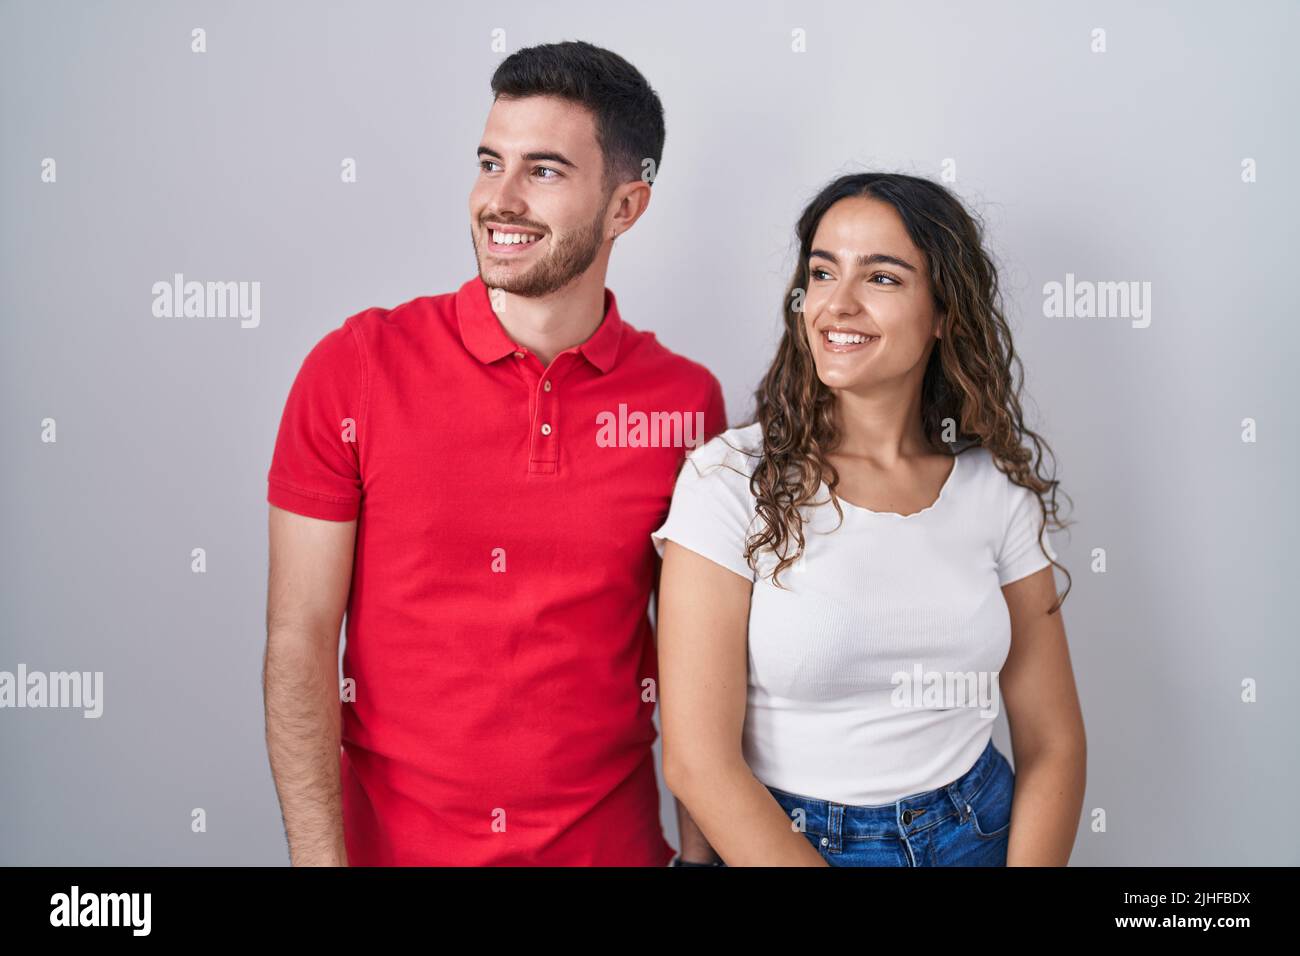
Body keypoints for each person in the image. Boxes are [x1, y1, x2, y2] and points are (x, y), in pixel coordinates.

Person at [263, 40, 726, 866]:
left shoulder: (683, 404)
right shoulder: (356, 368)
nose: (498, 200)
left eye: (543, 171)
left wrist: (699, 858)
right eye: (489, 162)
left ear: (626, 207)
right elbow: (299, 641)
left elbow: (694, 658)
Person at [653, 172, 1087, 866]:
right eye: (822, 273)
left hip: (976, 830)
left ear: (944, 312)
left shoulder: (995, 491)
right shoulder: (729, 479)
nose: (837, 305)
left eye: (881, 279)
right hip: (787, 841)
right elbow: (698, 764)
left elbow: (1053, 741)